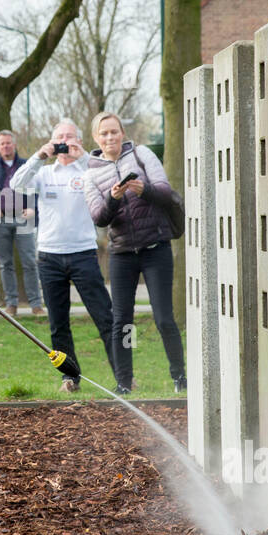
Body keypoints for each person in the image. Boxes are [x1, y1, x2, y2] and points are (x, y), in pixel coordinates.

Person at [83, 112, 187, 394]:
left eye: (114, 132)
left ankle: (179, 376)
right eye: (103, 134)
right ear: (96, 138)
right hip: (121, 254)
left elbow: (165, 192)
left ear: (122, 133)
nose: (109, 138)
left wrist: (144, 190)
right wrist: (113, 199)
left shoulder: (141, 155)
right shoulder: (91, 174)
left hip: (155, 247)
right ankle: (124, 382)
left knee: (164, 317)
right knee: (123, 321)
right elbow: (99, 218)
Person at [11, 120, 115, 392]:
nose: (65, 141)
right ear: (52, 142)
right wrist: (38, 156)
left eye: (70, 137)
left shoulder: (90, 169)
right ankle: (69, 377)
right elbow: (16, 184)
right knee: (58, 324)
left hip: (83, 254)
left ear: (79, 141)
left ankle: (123, 375)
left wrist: (83, 158)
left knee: (104, 316)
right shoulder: (44, 174)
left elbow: (109, 181)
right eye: (59, 137)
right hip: (50, 257)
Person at [0, 130, 43, 317]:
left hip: (24, 219)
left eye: (8, 143)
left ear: (14, 144)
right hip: (1, 220)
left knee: (29, 261)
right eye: (2, 143)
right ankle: (11, 303)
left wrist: (33, 208)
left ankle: (36, 304)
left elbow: (38, 189)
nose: (6, 146)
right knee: (5, 263)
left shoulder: (27, 165)